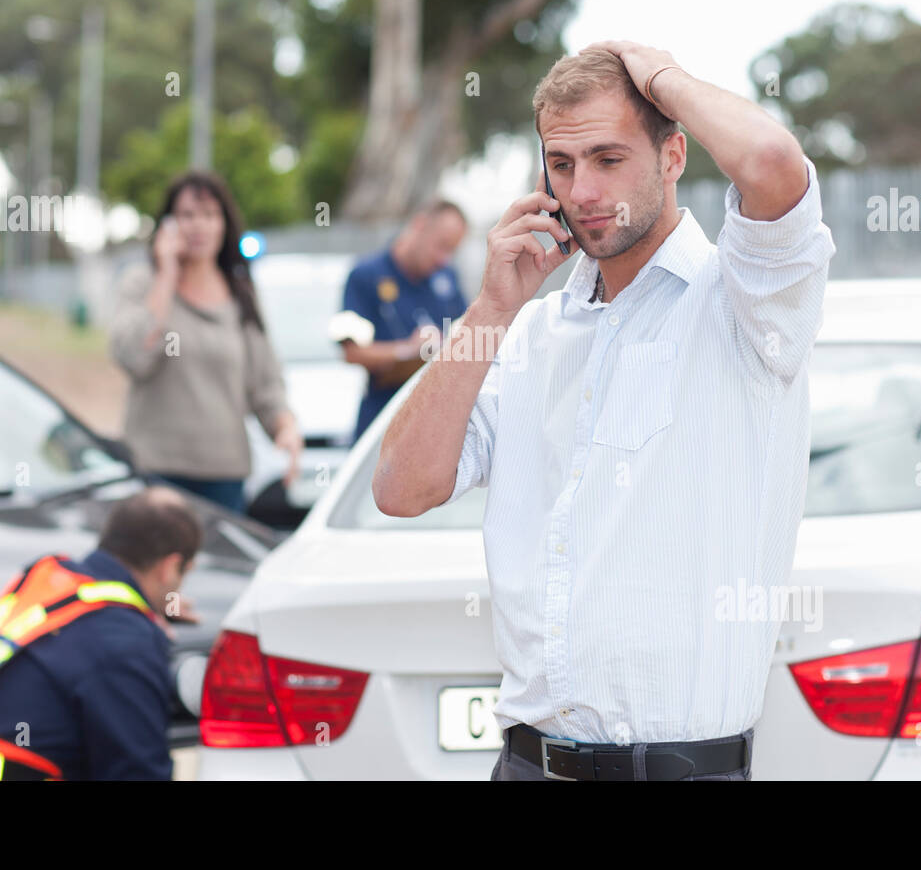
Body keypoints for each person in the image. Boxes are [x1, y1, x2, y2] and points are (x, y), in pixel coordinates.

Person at [373, 42, 836, 780]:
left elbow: (773, 163)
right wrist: (493, 305)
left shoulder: (745, 302)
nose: (582, 188)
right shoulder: (526, 331)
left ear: (673, 154)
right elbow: (400, 487)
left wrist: (658, 75)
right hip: (526, 765)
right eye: (562, 164)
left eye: (609, 158)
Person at [0, 487, 202, 781]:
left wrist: (148, 611)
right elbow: (137, 773)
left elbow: (80, 640)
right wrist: (141, 629)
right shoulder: (123, 641)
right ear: (169, 567)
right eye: (182, 577)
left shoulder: (47, 582)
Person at [109, 170, 303, 514]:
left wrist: (285, 427)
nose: (198, 226)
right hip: (156, 472)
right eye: (187, 215)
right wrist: (167, 274)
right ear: (168, 224)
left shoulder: (240, 293)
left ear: (224, 224)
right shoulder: (143, 283)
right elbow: (136, 356)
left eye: (210, 215)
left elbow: (265, 385)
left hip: (224, 477)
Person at [332, 198, 470, 442]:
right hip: (382, 422)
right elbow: (352, 352)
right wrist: (409, 350)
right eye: (441, 246)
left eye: (451, 251)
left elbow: (468, 337)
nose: (443, 259)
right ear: (419, 226)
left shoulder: (446, 279)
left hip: (435, 426)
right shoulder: (365, 276)